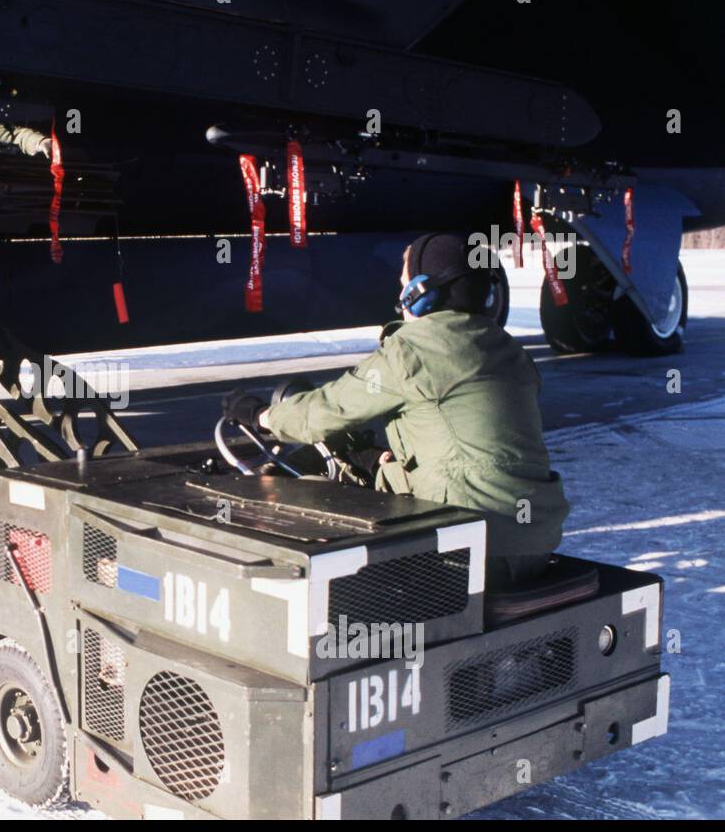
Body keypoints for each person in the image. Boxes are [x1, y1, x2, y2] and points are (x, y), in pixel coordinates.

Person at [222, 233, 569, 590]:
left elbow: (323, 412)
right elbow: (470, 451)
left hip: (470, 551)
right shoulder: (510, 350)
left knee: (305, 496)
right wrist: (380, 465)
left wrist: (262, 416)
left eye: (404, 284)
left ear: (421, 295)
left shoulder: (413, 351)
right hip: (533, 543)